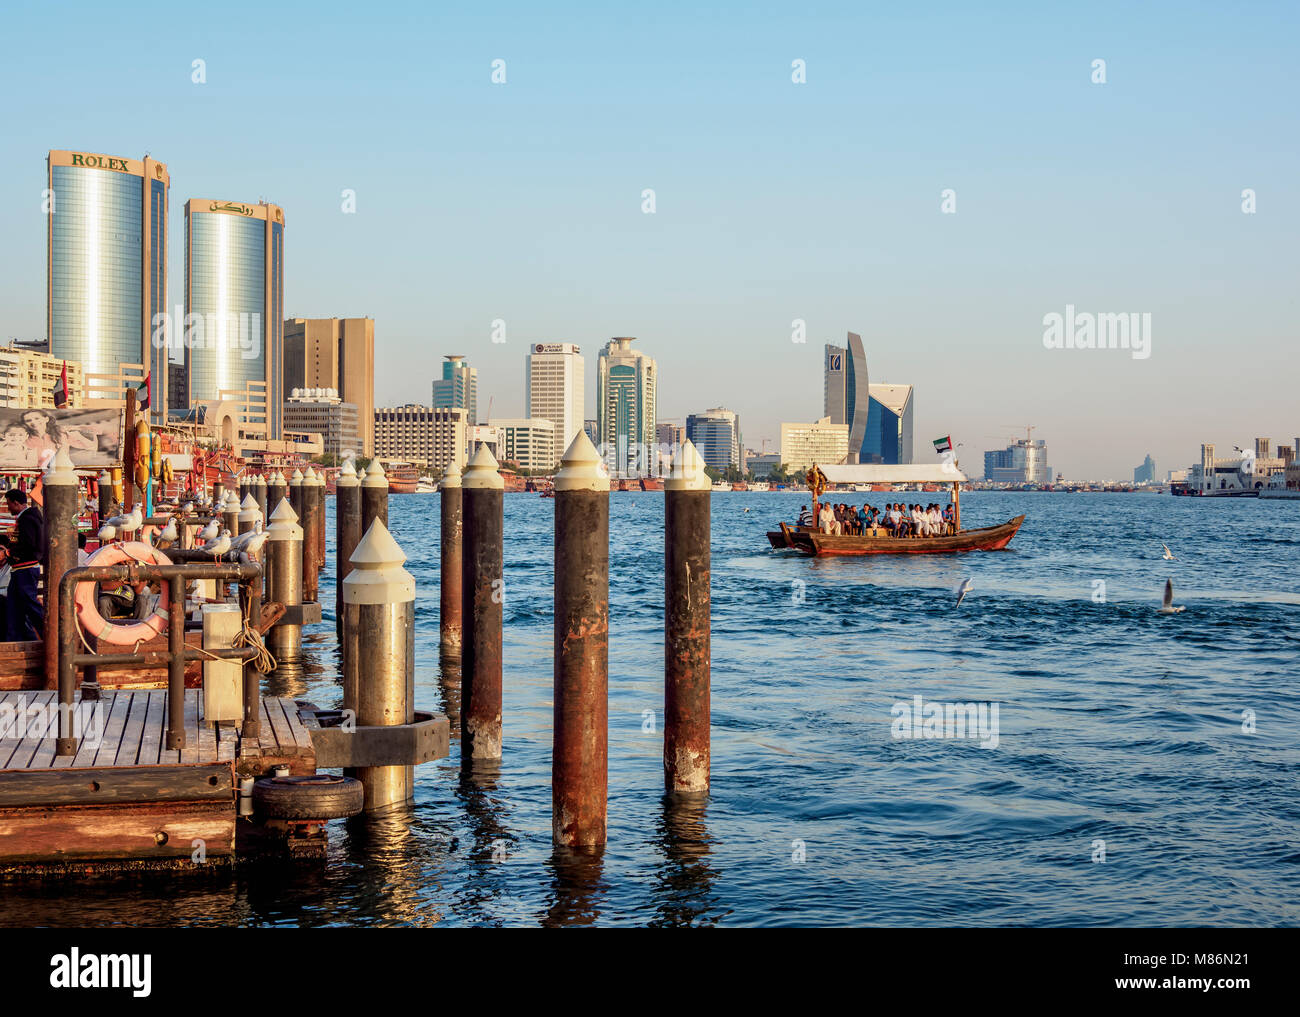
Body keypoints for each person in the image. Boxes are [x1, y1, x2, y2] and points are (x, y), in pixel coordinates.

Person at [2, 489, 44, 640]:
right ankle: (13, 639)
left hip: (25, 568)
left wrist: (9, 553)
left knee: (31, 605)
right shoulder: (27, 518)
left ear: (16, 503)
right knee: (14, 607)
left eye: (9, 504)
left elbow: (30, 543)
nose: (8, 508)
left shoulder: (27, 519)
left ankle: (49, 635)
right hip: (19, 569)